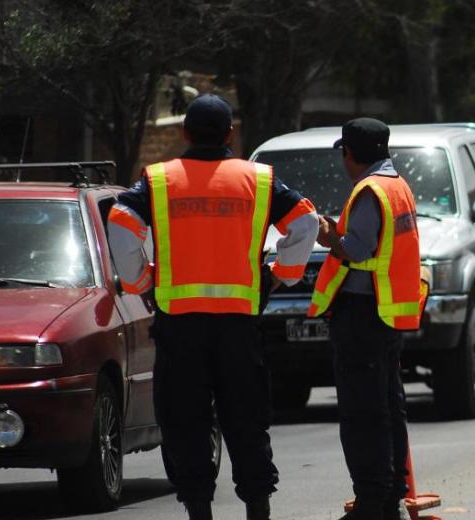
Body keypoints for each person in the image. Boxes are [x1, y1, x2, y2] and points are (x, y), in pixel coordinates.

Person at [107, 94, 319, 520]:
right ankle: (258, 510)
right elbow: (305, 220)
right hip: (239, 329)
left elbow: (120, 221)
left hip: (180, 329)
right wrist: (282, 274)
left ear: (184, 133)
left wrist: (140, 283)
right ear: (230, 134)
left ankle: (199, 511)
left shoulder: (160, 180)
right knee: (246, 420)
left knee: (186, 423)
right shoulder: (258, 180)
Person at [308, 118, 425, 520]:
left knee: (362, 414)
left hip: (363, 314)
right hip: (387, 315)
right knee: (388, 407)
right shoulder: (398, 186)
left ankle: (373, 502)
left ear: (350, 153)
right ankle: (388, 494)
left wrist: (328, 237)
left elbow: (357, 250)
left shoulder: (370, 190)